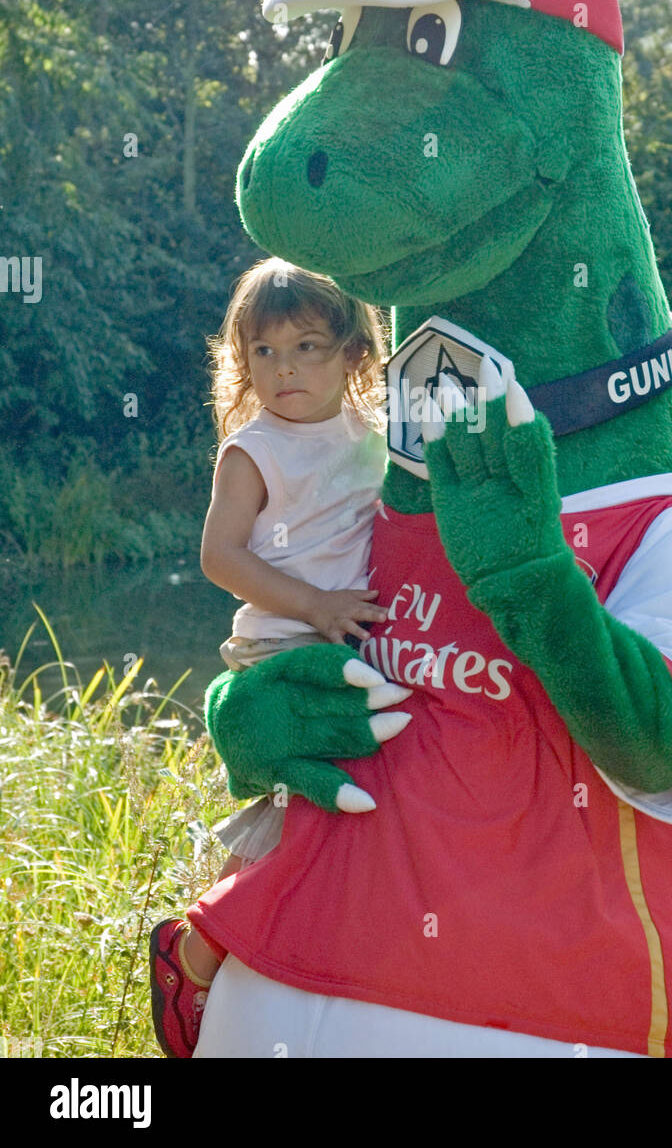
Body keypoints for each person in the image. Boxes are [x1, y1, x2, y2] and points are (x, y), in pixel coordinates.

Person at [148, 257, 404, 1058]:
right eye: (264, 352)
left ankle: (254, 959)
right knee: (302, 827)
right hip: (282, 649)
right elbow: (222, 557)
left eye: (308, 347)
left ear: (355, 354)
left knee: (341, 824)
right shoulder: (252, 450)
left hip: (355, 648)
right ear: (241, 361)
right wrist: (315, 606)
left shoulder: (377, 438)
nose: (285, 367)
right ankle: (193, 952)